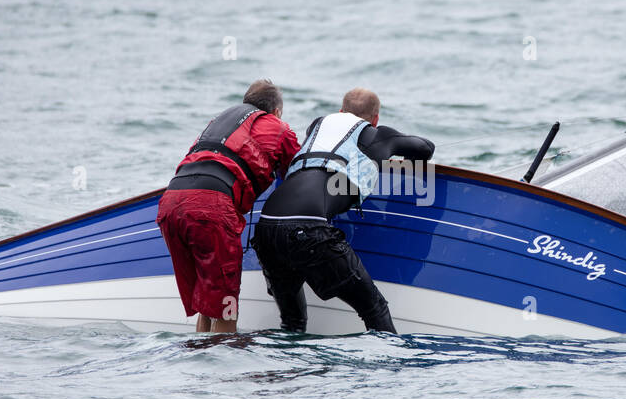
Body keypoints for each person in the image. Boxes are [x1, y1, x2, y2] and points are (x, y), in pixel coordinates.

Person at [253, 88, 434, 333]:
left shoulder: (317, 127)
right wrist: (387, 142)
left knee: (293, 323)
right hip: (307, 228)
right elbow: (425, 148)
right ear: (376, 119)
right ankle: (390, 370)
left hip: (265, 228)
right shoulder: (379, 135)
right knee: (374, 308)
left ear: (340, 111)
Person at [157, 80, 300, 333]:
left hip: (171, 204)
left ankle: (200, 364)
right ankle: (224, 365)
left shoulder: (216, 123)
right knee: (226, 303)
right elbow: (297, 174)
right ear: (276, 112)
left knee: (208, 297)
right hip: (211, 207)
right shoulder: (279, 128)